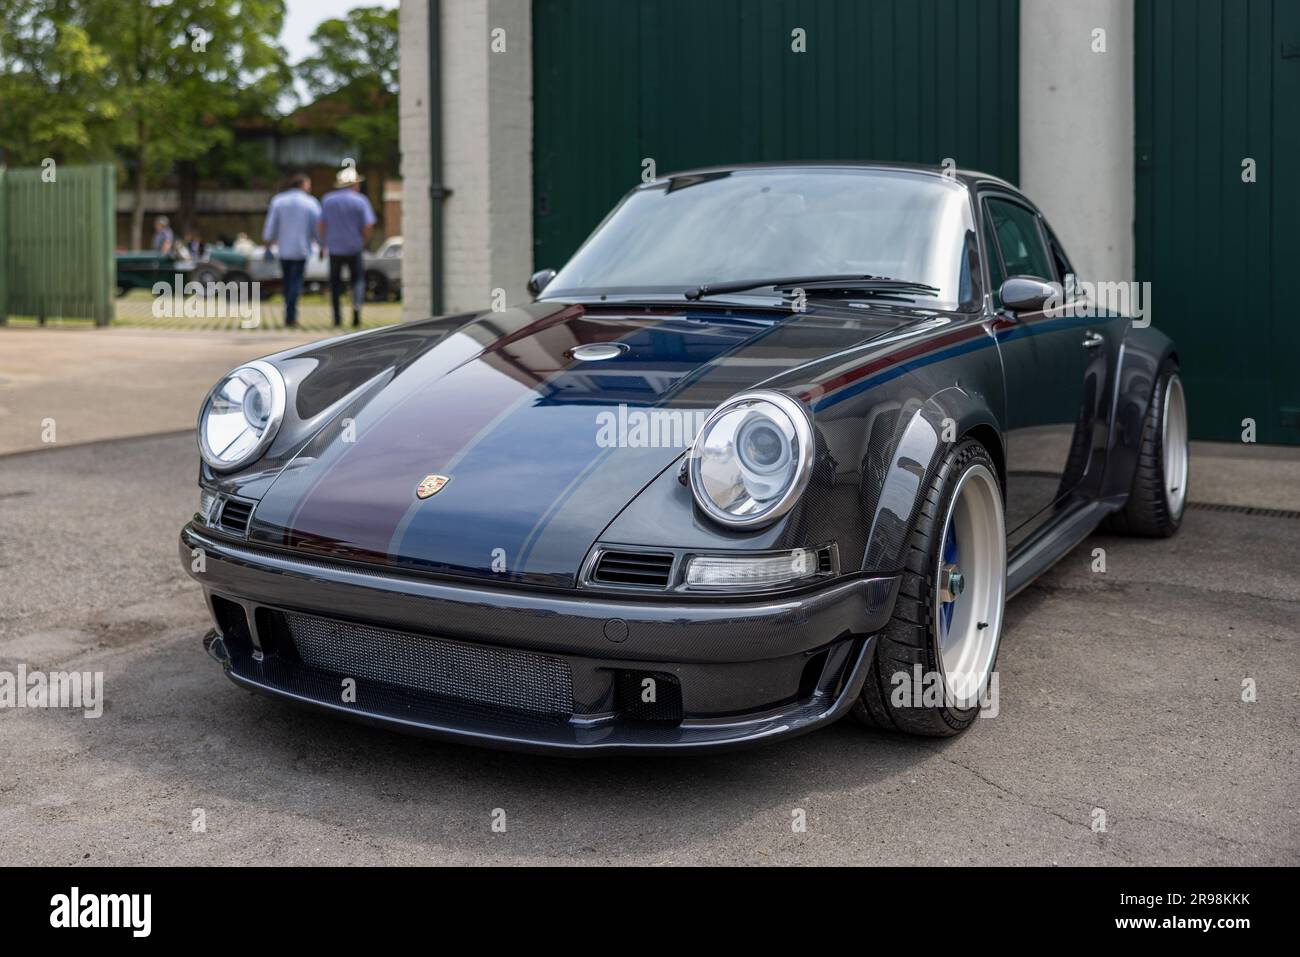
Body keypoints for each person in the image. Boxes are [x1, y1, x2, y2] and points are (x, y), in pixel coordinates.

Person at [319, 166, 376, 328]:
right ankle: (356, 310)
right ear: (354, 184)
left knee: (335, 283)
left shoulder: (328, 200)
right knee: (357, 280)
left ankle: (337, 318)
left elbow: (322, 224)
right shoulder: (360, 200)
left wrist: (324, 243)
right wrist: (364, 241)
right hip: (354, 247)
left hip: (335, 248)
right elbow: (368, 225)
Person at [262, 173, 321, 328]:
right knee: (296, 282)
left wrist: (267, 244)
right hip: (301, 249)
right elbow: (318, 227)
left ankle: (288, 312)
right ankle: (291, 315)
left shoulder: (279, 200)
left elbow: (271, 224)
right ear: (302, 185)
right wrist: (322, 244)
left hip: (284, 250)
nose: (310, 187)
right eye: (308, 184)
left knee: (287, 282)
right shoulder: (310, 202)